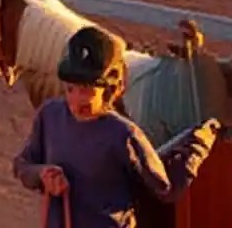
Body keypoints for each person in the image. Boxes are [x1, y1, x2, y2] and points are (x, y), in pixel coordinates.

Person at [12, 25, 220, 228]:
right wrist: (42, 174)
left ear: (109, 87)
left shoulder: (123, 135)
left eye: (86, 90)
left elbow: (164, 187)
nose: (76, 100)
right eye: (70, 89)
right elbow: (23, 164)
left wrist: (198, 144)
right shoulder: (50, 115)